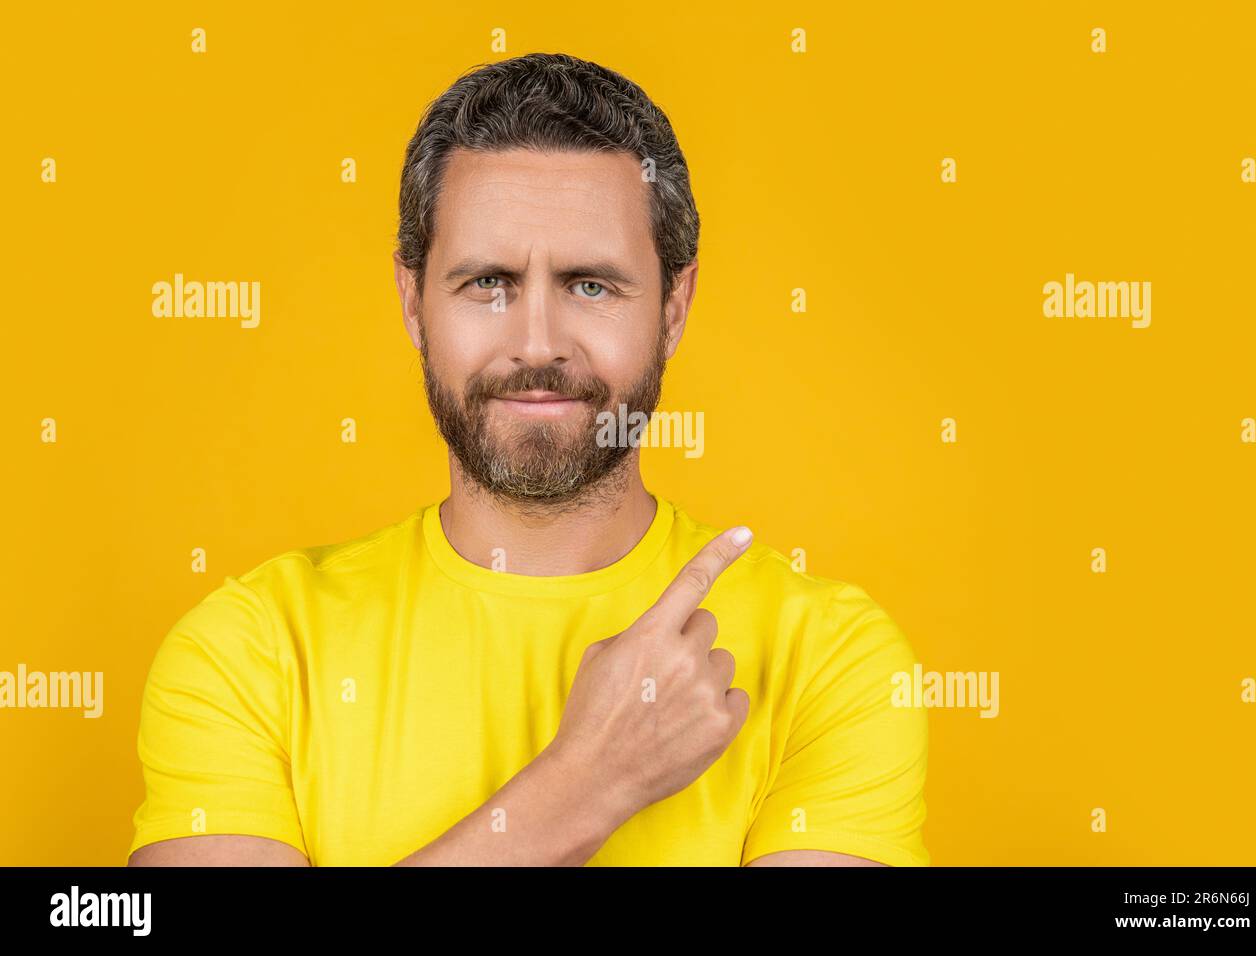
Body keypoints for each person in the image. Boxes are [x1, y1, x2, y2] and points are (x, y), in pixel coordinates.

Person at [127, 52, 929, 867]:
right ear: (413, 302)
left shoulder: (828, 659)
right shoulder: (250, 653)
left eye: (591, 285)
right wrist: (588, 783)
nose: (538, 342)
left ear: (675, 306)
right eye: (488, 283)